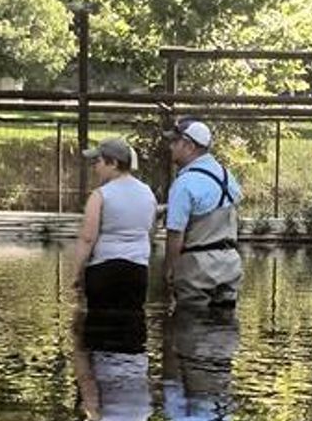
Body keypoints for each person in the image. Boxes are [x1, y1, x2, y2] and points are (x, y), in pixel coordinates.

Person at [162, 118, 243, 309]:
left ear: (189, 146)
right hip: (230, 264)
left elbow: (175, 235)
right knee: (224, 328)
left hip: (197, 269)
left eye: (175, 141)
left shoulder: (184, 183)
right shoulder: (227, 175)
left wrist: (170, 269)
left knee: (191, 326)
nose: (170, 146)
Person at [71, 137, 157, 312]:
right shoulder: (148, 193)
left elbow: (88, 238)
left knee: (100, 328)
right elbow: (150, 231)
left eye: (98, 161)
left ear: (114, 163)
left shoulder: (100, 195)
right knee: (132, 325)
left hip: (104, 270)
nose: (95, 167)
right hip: (137, 271)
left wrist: (77, 272)